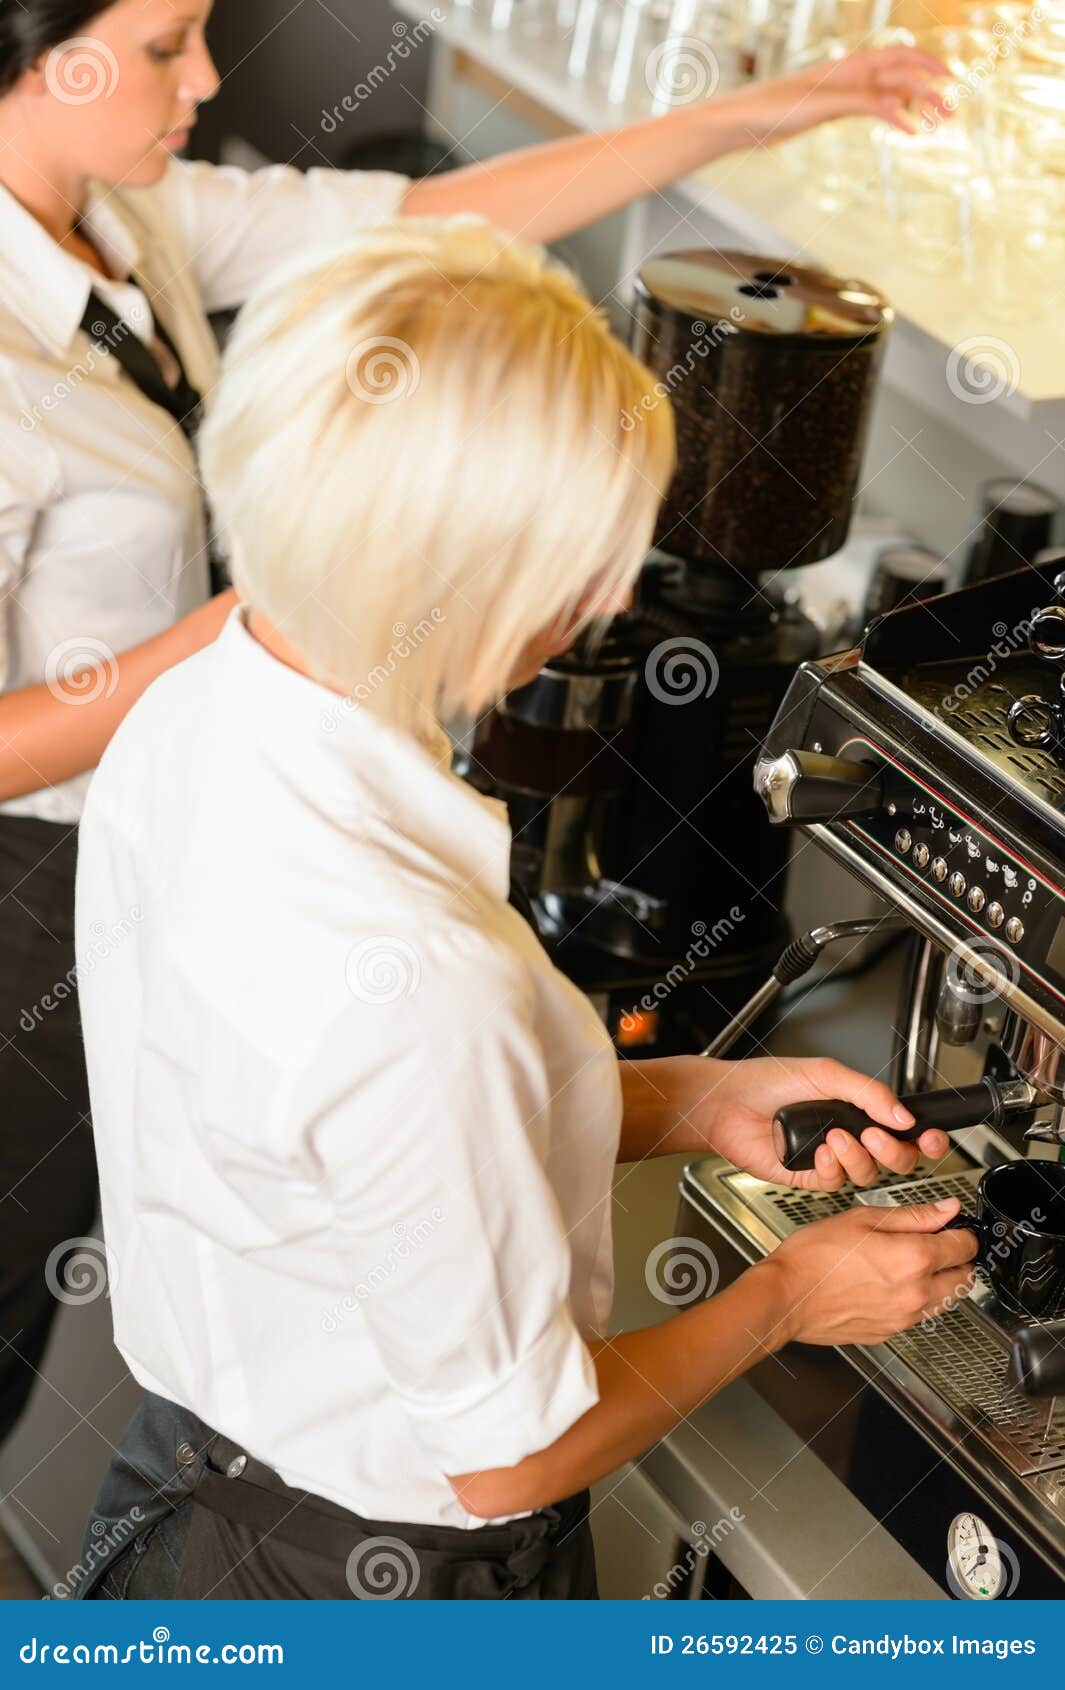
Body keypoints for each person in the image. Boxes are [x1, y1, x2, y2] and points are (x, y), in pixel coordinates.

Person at [0, 0, 952, 1462]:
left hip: (195, 1479)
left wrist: (683, 1098)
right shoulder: (406, 978)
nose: (204, 74)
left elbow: (423, 219)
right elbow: (507, 1464)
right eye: (162, 42)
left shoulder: (194, 721)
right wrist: (784, 1293)